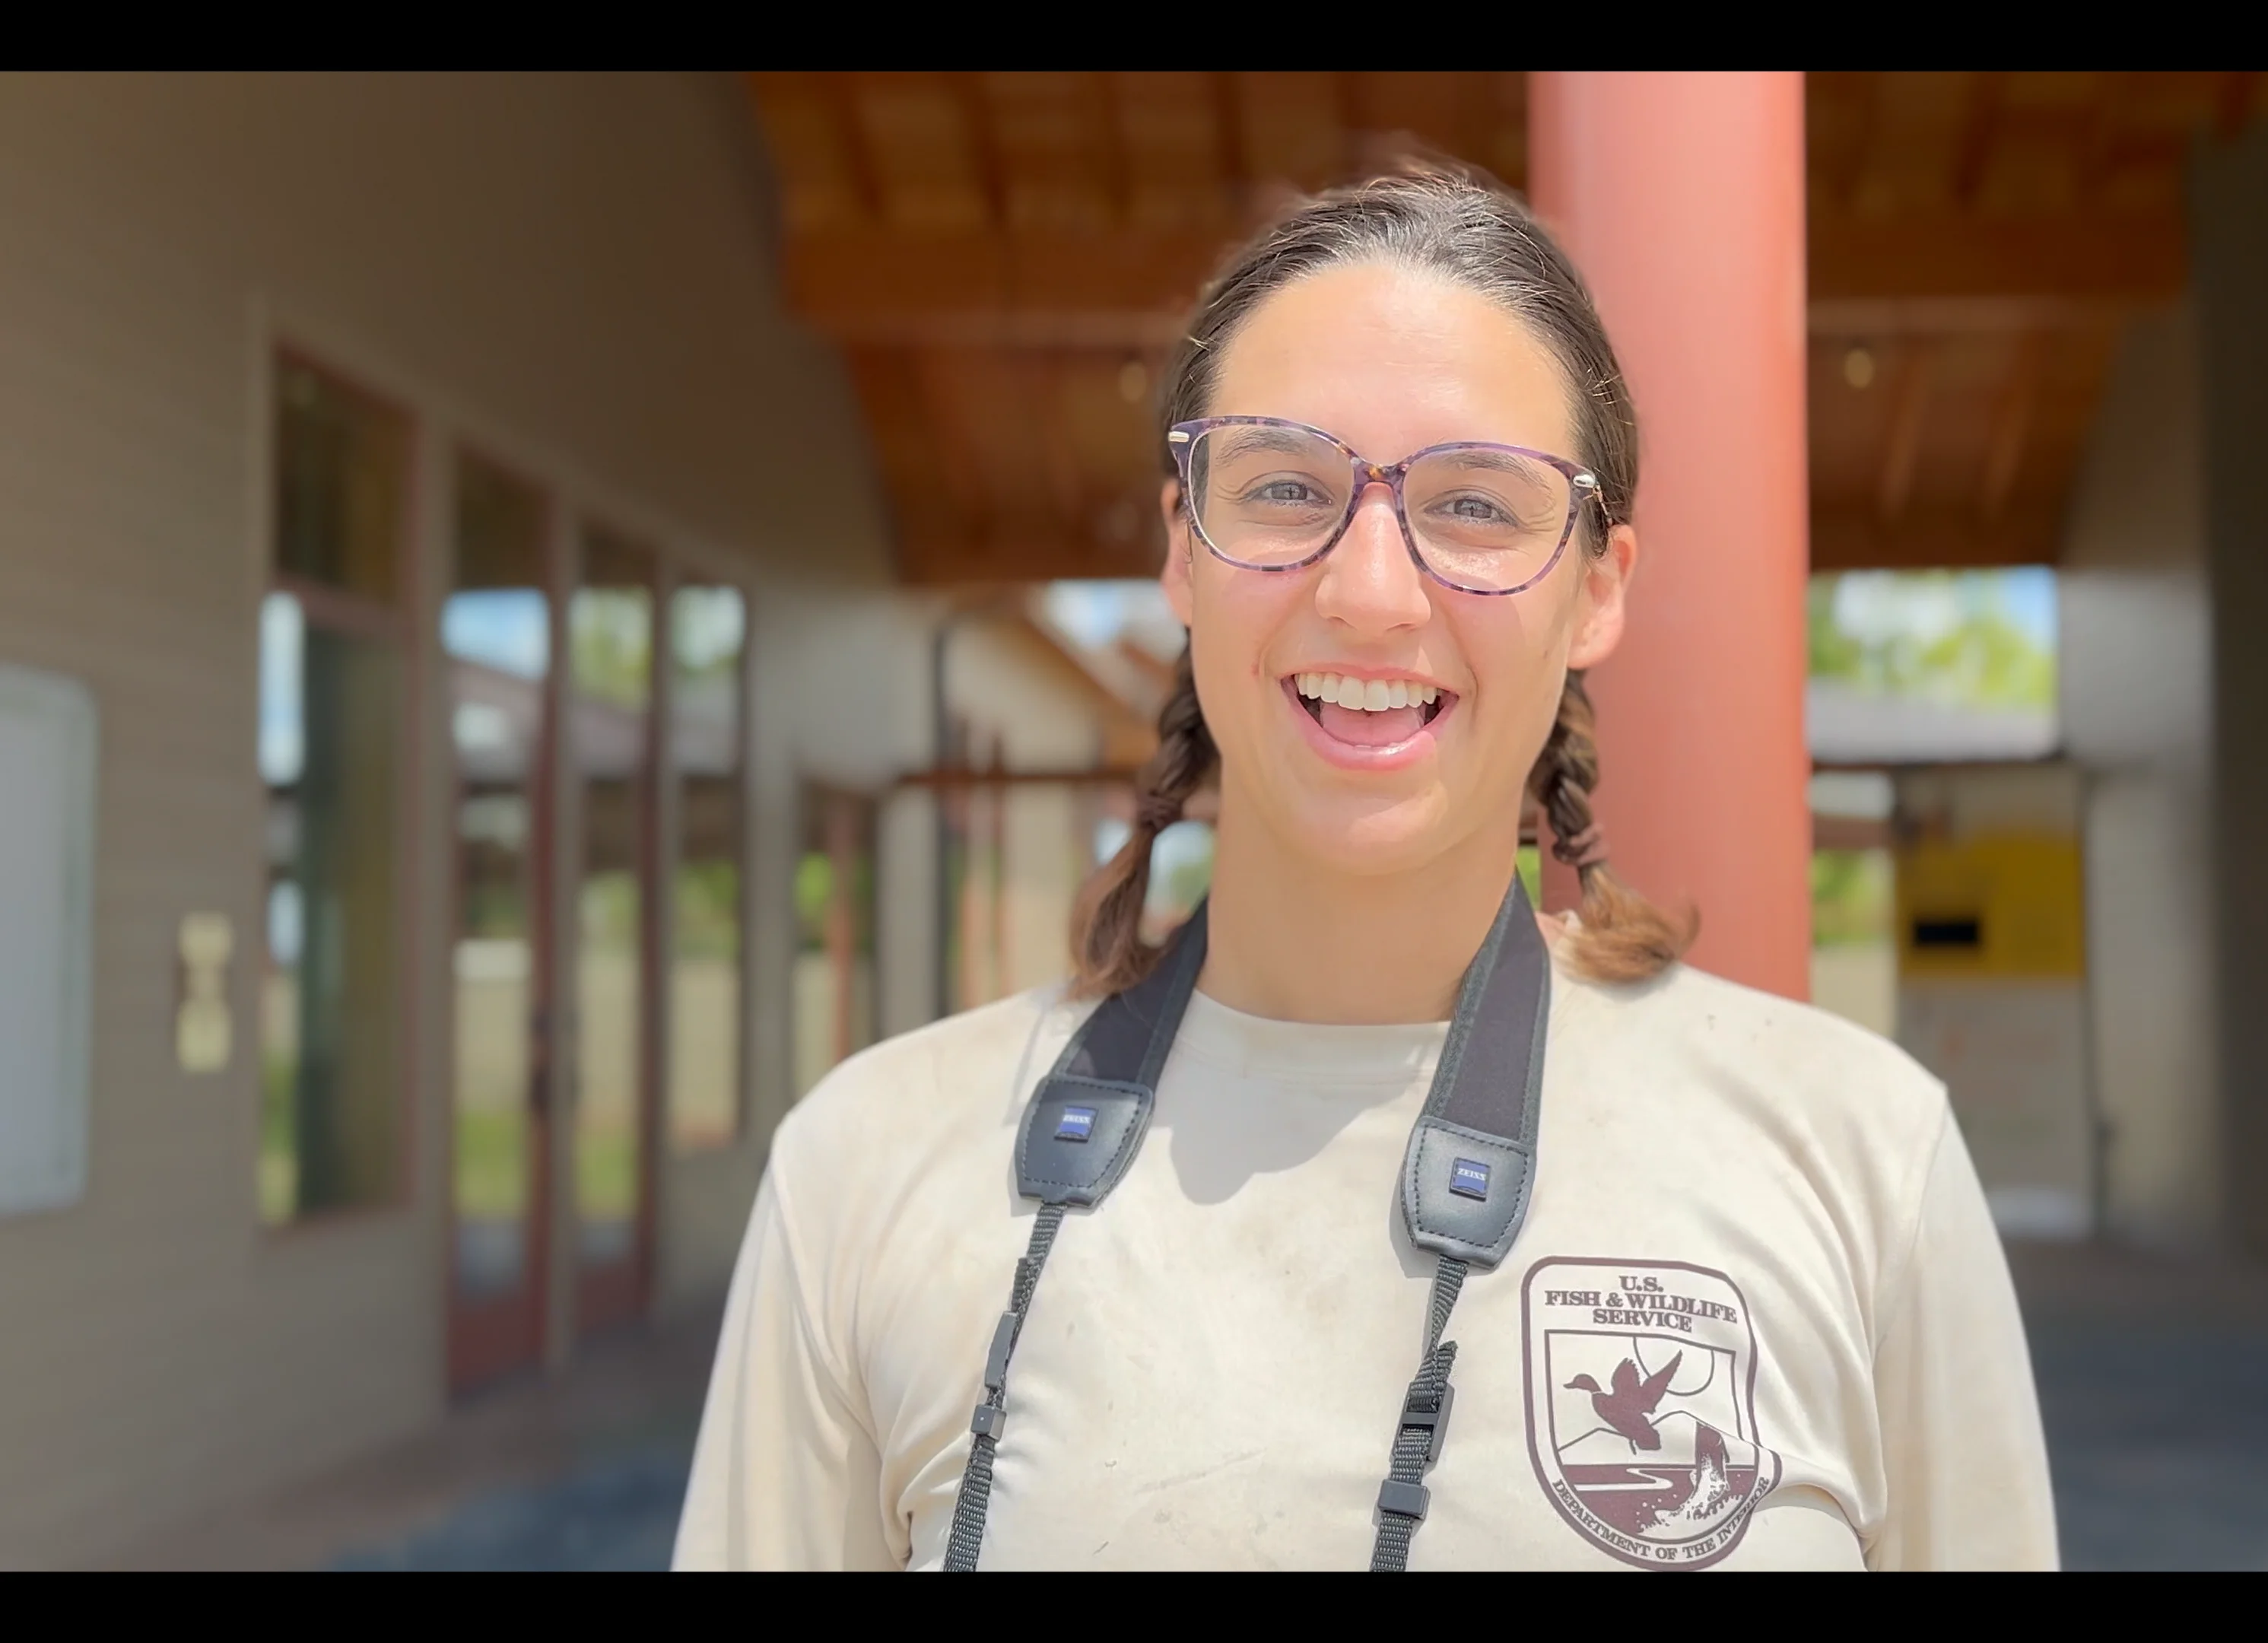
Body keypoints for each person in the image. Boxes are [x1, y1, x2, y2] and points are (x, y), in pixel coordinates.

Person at [672, 164, 2056, 1572]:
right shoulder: (871, 1168)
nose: (1371, 591)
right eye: (1285, 487)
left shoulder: (1857, 1161)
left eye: (1475, 506)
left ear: (1598, 587)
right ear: (1182, 552)